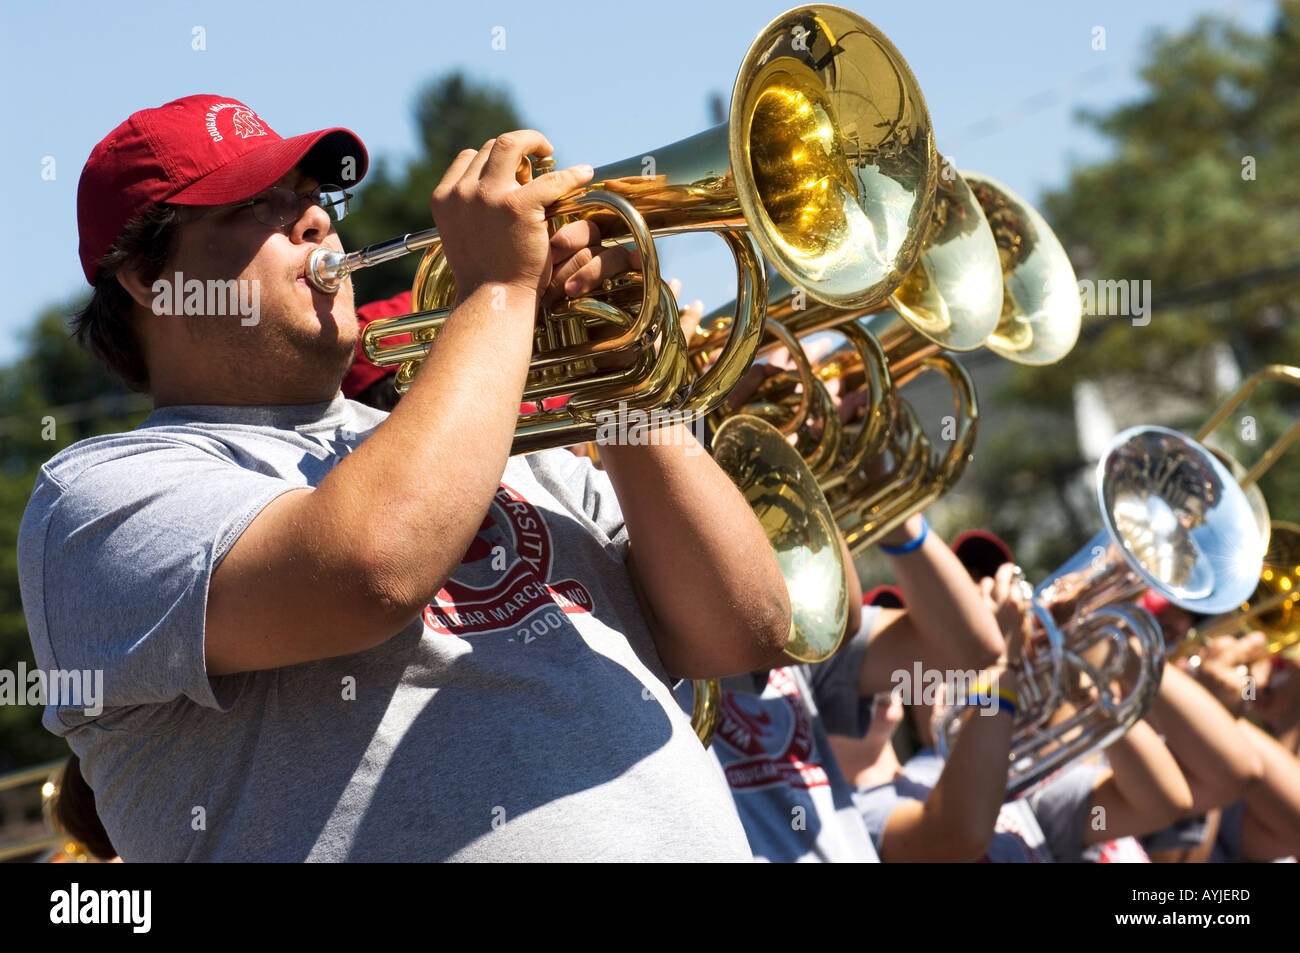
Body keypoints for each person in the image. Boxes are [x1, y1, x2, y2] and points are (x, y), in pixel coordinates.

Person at [18, 94, 795, 862]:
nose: (318, 220)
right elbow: (372, 571)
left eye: (317, 199)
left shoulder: (496, 442)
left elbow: (743, 627)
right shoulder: (94, 498)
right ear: (149, 281)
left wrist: (616, 368)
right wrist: (497, 292)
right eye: (260, 206)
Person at [676, 510, 1007, 862]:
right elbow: (955, 835)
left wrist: (894, 515)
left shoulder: (793, 641)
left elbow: (971, 652)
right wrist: (1010, 665)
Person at [843, 562, 1193, 862]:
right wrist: (998, 662)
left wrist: (1076, 677)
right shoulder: (854, 817)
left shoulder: (1007, 770)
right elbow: (957, 833)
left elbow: (1163, 801)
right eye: (927, 650)